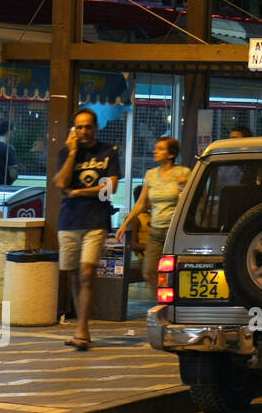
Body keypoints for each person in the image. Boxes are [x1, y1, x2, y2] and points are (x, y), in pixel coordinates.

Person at [54, 109, 120, 350]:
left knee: (87, 272)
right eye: (79, 127)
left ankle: (83, 329)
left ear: (96, 127)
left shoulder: (108, 152)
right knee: (73, 274)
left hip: (96, 220)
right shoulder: (65, 151)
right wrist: (72, 153)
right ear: (74, 130)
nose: (83, 131)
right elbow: (60, 183)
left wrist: (79, 192)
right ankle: (80, 328)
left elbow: (109, 188)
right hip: (69, 221)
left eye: (87, 126)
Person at [117, 137, 189, 294]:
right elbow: (142, 203)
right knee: (148, 271)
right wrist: (125, 224)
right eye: (156, 148)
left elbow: (189, 202)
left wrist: (184, 186)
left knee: (176, 273)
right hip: (156, 232)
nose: (155, 151)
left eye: (160, 148)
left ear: (171, 154)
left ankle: (175, 304)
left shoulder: (183, 172)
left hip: (175, 231)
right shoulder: (150, 174)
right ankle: (163, 303)